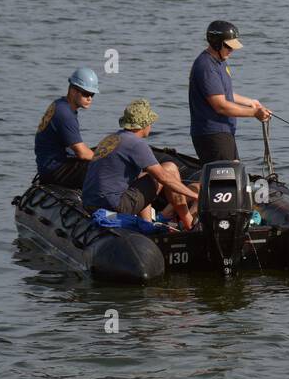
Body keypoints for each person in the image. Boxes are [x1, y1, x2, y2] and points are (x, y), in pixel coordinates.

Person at [81, 99, 201, 230]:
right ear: (145, 124)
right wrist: (194, 195)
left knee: (146, 177)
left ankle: (148, 225)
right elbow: (163, 177)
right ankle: (189, 224)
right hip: (113, 207)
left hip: (90, 204)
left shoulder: (111, 138)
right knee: (170, 169)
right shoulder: (136, 143)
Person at [188, 20, 270, 166]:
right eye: (228, 46)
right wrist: (254, 113)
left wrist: (250, 102)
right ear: (216, 43)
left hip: (224, 132)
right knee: (226, 179)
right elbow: (221, 106)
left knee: (233, 173)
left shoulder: (219, 61)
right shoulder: (206, 66)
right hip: (212, 133)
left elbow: (222, 92)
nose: (232, 50)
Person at [34, 67, 99, 188]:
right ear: (73, 91)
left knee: (106, 150)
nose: (89, 98)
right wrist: (107, 161)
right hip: (55, 171)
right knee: (106, 164)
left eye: (92, 94)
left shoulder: (60, 104)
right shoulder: (65, 114)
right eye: (86, 93)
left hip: (53, 165)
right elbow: (82, 153)